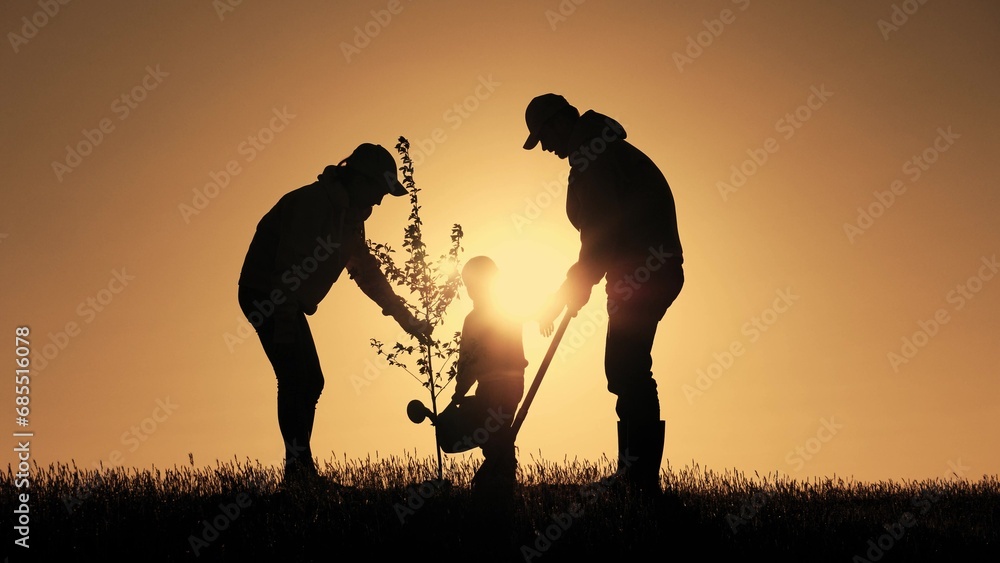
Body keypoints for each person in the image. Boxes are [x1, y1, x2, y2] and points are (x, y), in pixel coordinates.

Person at [238, 142, 433, 485]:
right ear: (358, 180)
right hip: (267, 294)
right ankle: (299, 473)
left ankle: (299, 471)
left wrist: (407, 320)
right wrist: (283, 323)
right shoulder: (313, 205)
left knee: (307, 379)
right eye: (378, 191)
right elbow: (286, 269)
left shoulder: (348, 219)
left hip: (287, 299)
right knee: (300, 377)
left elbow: (367, 273)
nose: (378, 201)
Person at [523, 93, 685, 495]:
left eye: (543, 136)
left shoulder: (594, 159)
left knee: (628, 371)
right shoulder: (600, 153)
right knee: (626, 370)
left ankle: (638, 479)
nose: (544, 147)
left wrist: (567, 293)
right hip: (640, 273)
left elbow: (601, 237)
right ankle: (635, 476)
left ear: (562, 121)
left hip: (643, 274)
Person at [444, 256, 527, 500]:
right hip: (504, 384)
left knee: (494, 433)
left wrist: (459, 392)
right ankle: (500, 480)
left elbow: (467, 361)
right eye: (468, 286)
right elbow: (468, 362)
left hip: (499, 385)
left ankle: (495, 481)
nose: (471, 291)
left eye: (474, 285)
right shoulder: (509, 311)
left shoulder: (488, 316)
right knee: (497, 433)